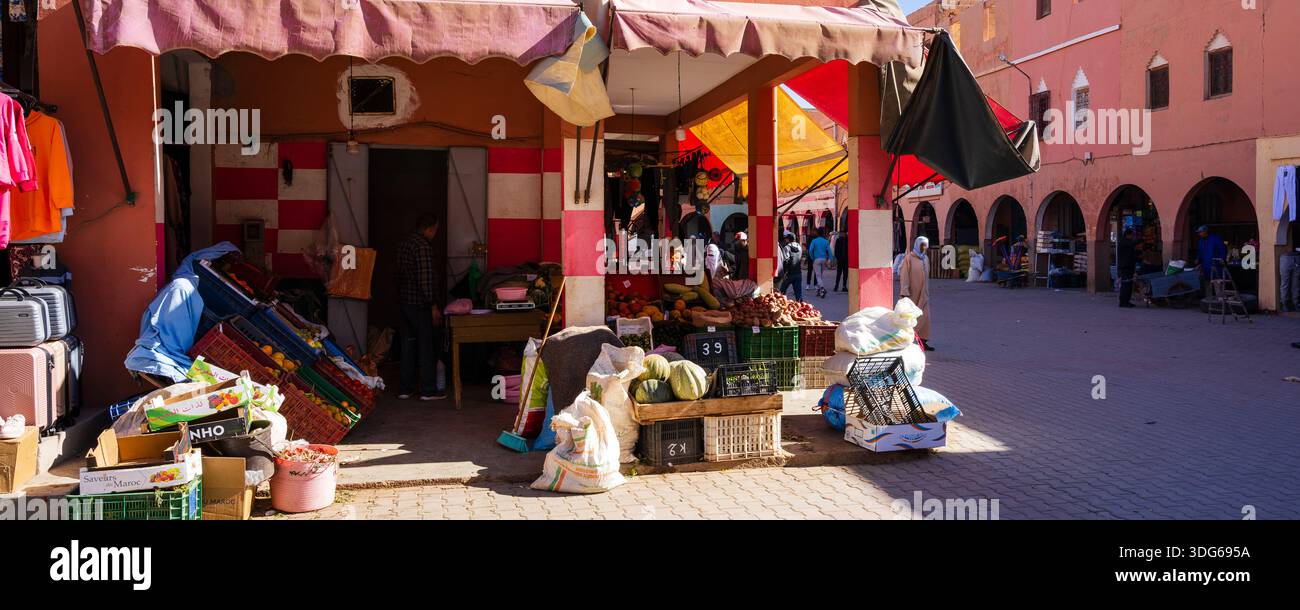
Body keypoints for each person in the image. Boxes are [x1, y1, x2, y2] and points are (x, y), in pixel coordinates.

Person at [397, 214, 446, 400]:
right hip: (420, 305)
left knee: (408, 346)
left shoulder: (405, 244)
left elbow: (398, 274)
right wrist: (433, 305)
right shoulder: (422, 247)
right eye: (435, 229)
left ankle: (405, 388)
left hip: (405, 302)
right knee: (426, 347)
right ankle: (428, 390)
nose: (435, 233)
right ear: (429, 228)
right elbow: (425, 280)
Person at [899, 236, 934, 351]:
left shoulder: (925, 259)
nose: (924, 247)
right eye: (922, 245)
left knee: (925, 317)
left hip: (924, 294)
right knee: (910, 318)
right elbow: (904, 275)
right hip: (912, 294)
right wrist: (904, 291)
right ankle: (907, 340)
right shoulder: (909, 258)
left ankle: (923, 341)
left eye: (926, 245)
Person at [1192, 225, 1228, 294]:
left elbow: (1222, 249)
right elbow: (1200, 252)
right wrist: (1197, 259)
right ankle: (1209, 300)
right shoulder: (1201, 241)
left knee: (1218, 282)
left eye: (1200, 232)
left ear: (1205, 232)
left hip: (1216, 265)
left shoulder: (1215, 238)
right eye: (1199, 232)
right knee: (1207, 283)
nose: (1199, 234)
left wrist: (1222, 258)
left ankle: (1220, 299)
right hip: (1206, 265)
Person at [1116, 228, 1142, 308]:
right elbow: (1132, 243)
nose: (1132, 237)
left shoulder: (1126, 242)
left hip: (1129, 266)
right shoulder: (1124, 242)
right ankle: (1123, 302)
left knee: (1129, 284)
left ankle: (1126, 301)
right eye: (1132, 235)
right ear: (1128, 235)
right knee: (1126, 285)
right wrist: (1141, 239)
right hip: (1125, 267)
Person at [777, 232, 804, 302]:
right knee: (798, 293)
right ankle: (800, 307)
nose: (785, 240)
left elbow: (785, 261)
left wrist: (784, 272)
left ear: (788, 239)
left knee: (781, 291)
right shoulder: (799, 247)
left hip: (789, 274)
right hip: (798, 273)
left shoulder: (787, 247)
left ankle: (780, 305)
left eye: (786, 239)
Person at [808, 228, 831, 297]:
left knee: (818, 276)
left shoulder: (814, 241)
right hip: (824, 259)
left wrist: (812, 257)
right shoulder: (826, 241)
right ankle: (818, 290)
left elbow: (810, 250)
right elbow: (829, 252)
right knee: (820, 275)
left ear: (817, 233)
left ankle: (822, 288)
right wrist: (829, 259)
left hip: (816, 259)